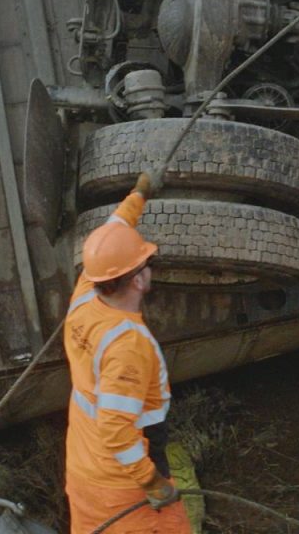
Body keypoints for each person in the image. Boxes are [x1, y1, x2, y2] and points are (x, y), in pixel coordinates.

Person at [64, 172, 189, 534]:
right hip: (122, 488)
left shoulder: (87, 292)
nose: (149, 268)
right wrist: (152, 483)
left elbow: (112, 233)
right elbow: (117, 429)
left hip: (83, 469)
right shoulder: (128, 344)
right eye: (145, 263)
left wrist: (139, 194)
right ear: (137, 280)